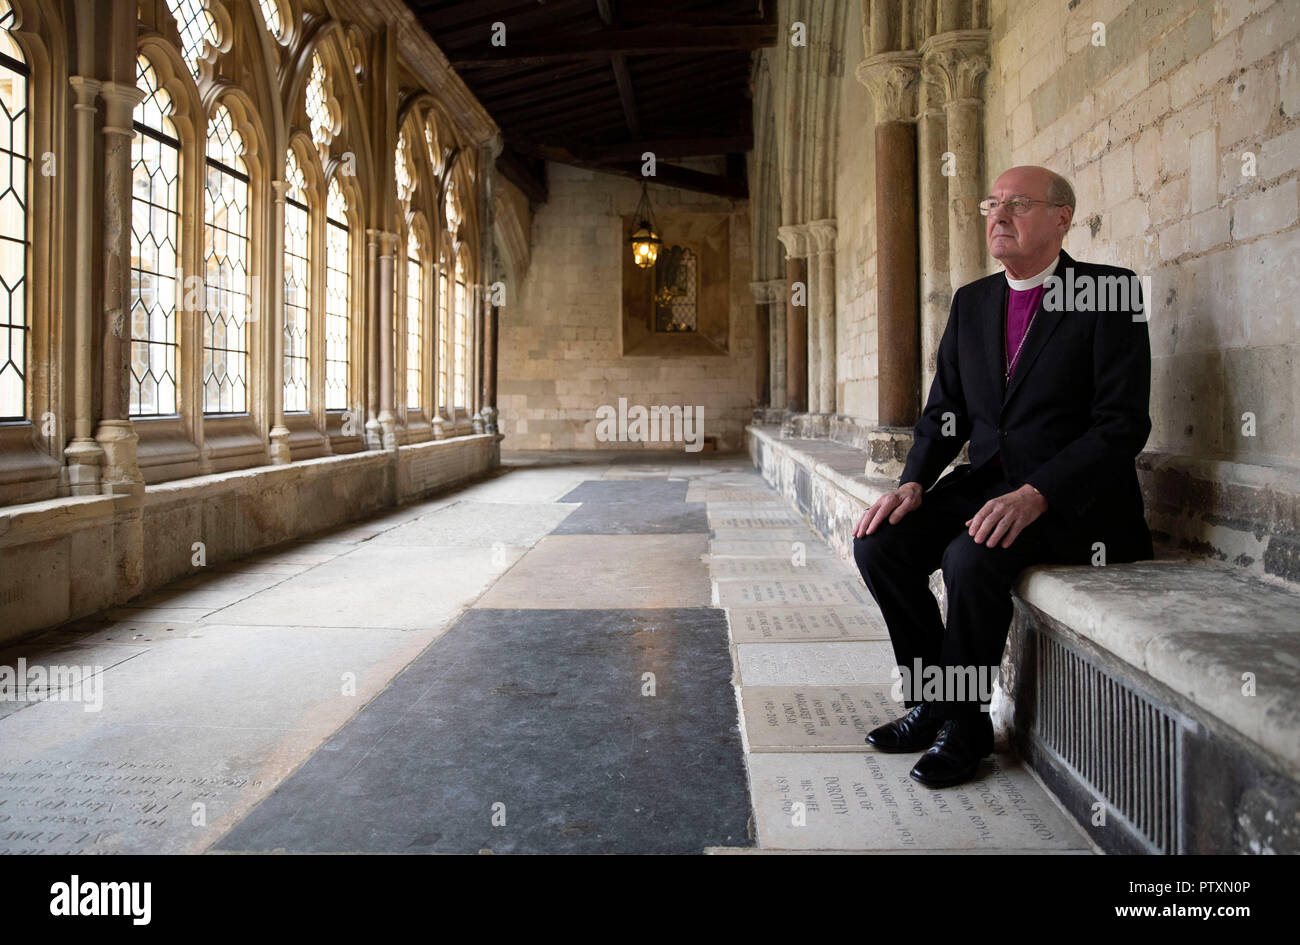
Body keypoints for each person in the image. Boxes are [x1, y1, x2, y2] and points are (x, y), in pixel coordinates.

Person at [851, 165, 1154, 788]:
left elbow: (1121, 426)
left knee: (970, 557)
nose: (998, 216)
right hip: (988, 481)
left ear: (1061, 218)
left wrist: (1039, 492)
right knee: (879, 542)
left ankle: (965, 730)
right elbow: (946, 411)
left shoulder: (1109, 293)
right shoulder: (974, 301)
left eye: (1018, 204)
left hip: (1076, 501)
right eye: (993, 204)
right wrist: (913, 481)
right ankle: (934, 700)